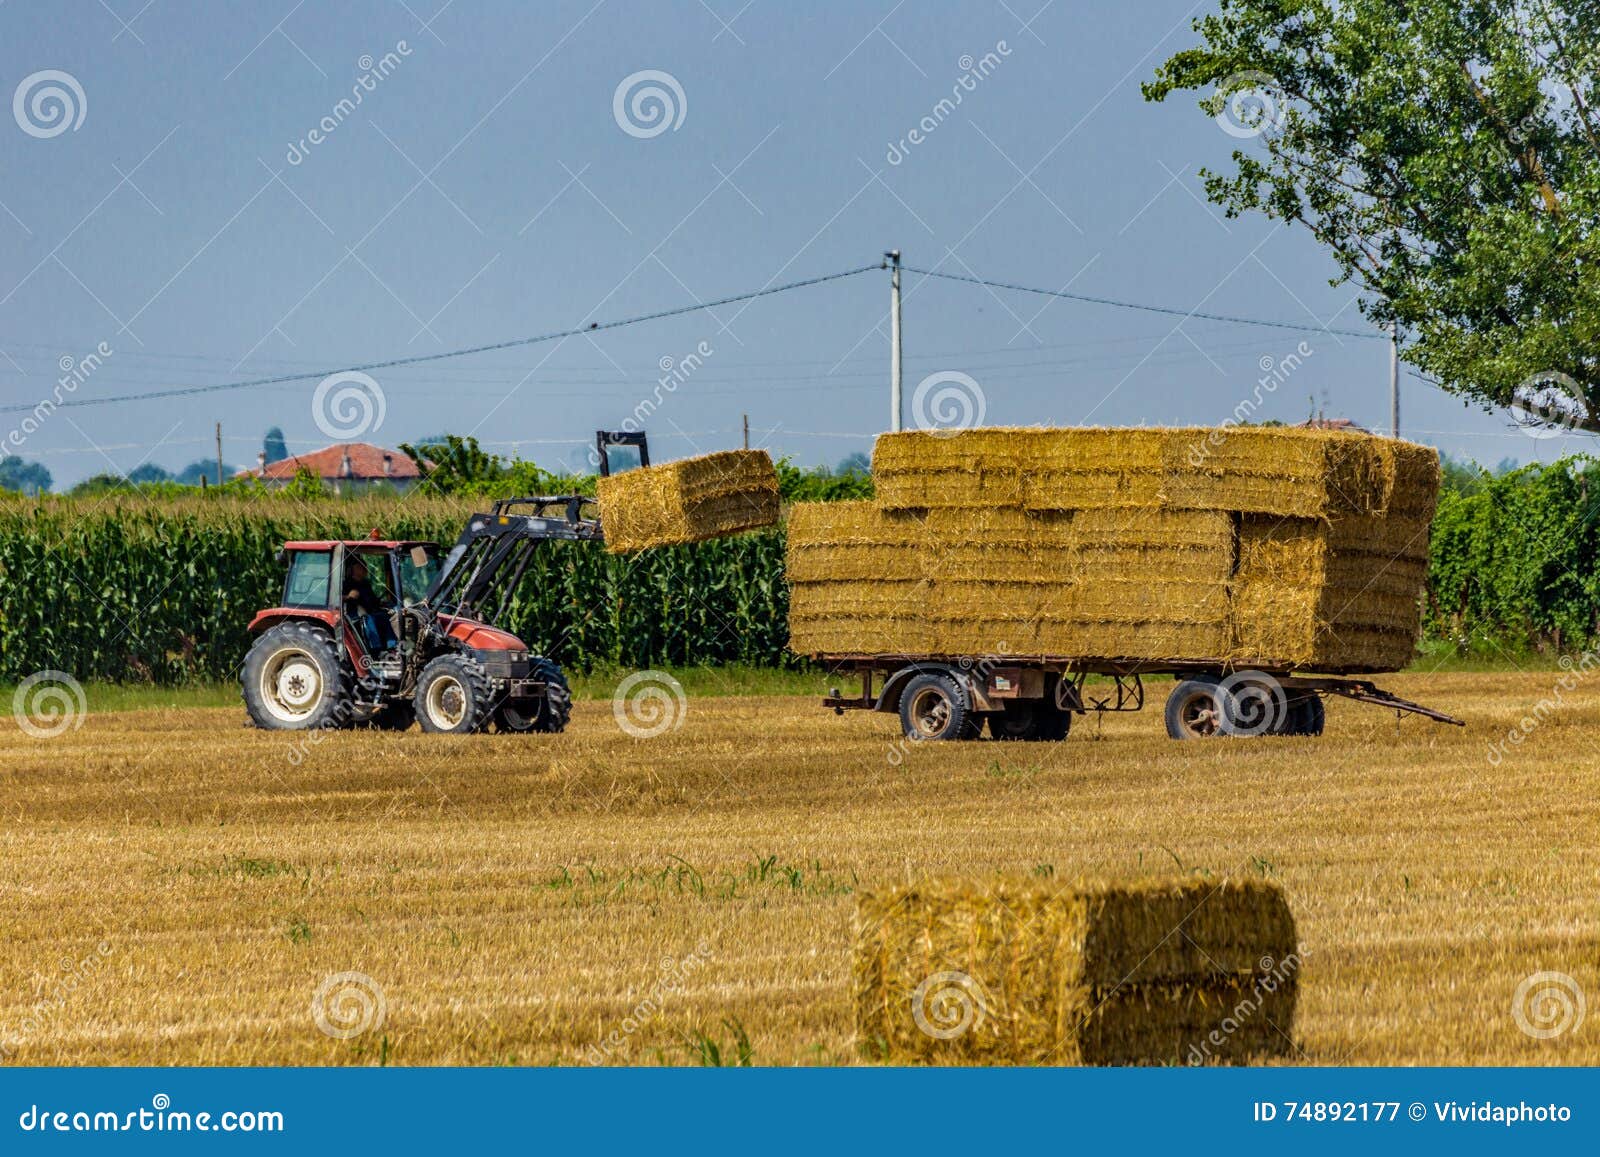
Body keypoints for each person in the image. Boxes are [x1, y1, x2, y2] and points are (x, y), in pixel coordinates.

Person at [344, 556, 395, 652]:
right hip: (354, 614)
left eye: (364, 567)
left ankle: (392, 646)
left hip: (371, 611)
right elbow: (334, 598)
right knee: (369, 619)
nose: (364, 569)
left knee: (385, 615)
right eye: (360, 567)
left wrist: (382, 603)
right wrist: (348, 597)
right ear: (352, 569)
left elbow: (373, 600)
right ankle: (376, 650)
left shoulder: (365, 584)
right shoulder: (346, 584)